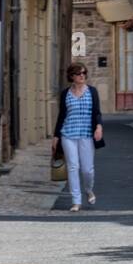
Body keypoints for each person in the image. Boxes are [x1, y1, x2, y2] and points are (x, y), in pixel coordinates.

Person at [52, 62, 103, 212]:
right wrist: (56, 136)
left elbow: (97, 112)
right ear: (72, 76)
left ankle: (88, 189)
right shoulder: (65, 94)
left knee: (88, 170)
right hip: (68, 134)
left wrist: (99, 126)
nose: (82, 76)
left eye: (84, 73)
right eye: (79, 74)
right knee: (73, 167)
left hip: (87, 134)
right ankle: (76, 201)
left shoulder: (92, 91)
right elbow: (62, 116)